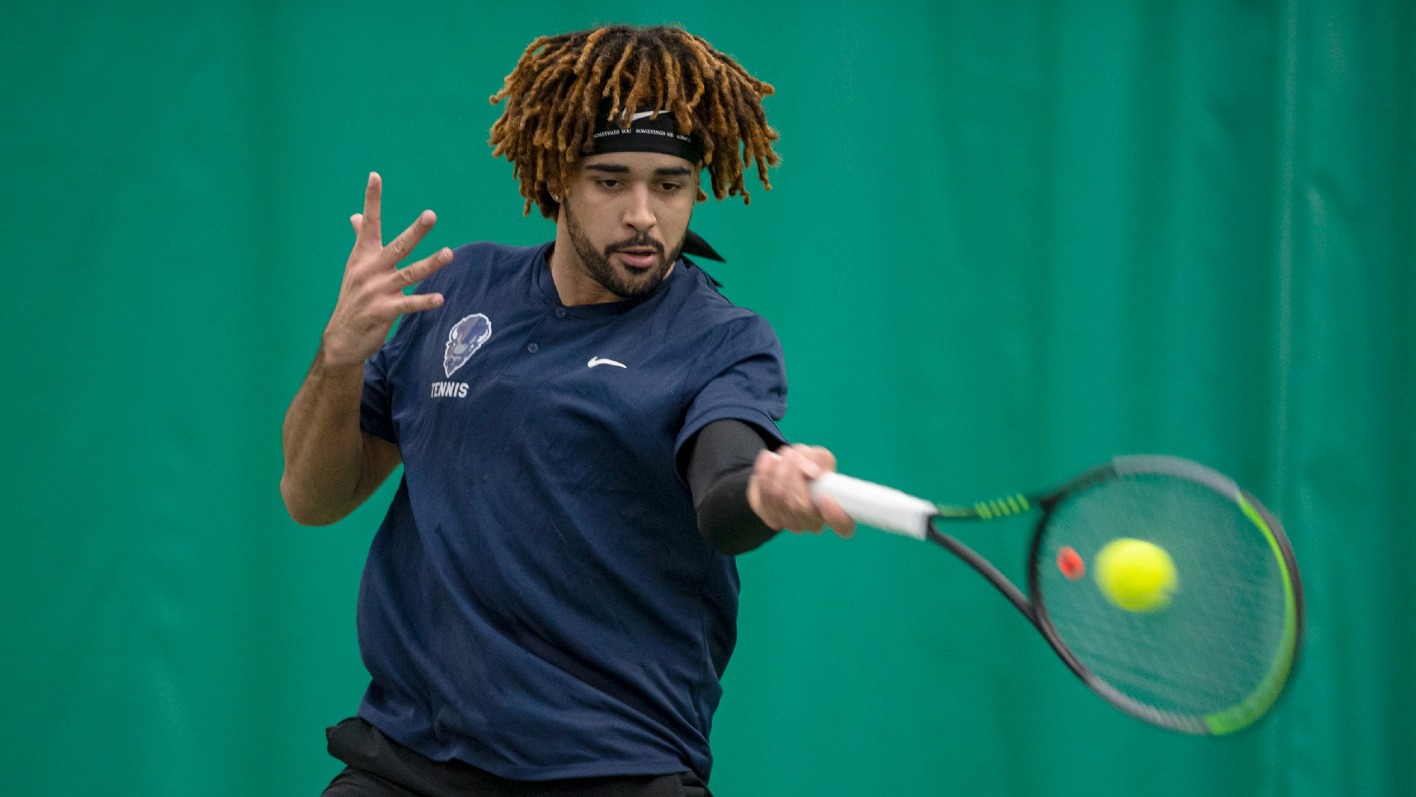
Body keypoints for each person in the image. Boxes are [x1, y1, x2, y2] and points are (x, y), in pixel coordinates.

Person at [280, 24, 853, 797]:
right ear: (556, 179)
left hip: (616, 766)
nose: (644, 214)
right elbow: (312, 497)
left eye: (670, 183)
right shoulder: (454, 293)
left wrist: (764, 488)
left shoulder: (722, 340)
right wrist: (340, 357)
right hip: (411, 760)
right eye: (611, 180)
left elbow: (724, 487)